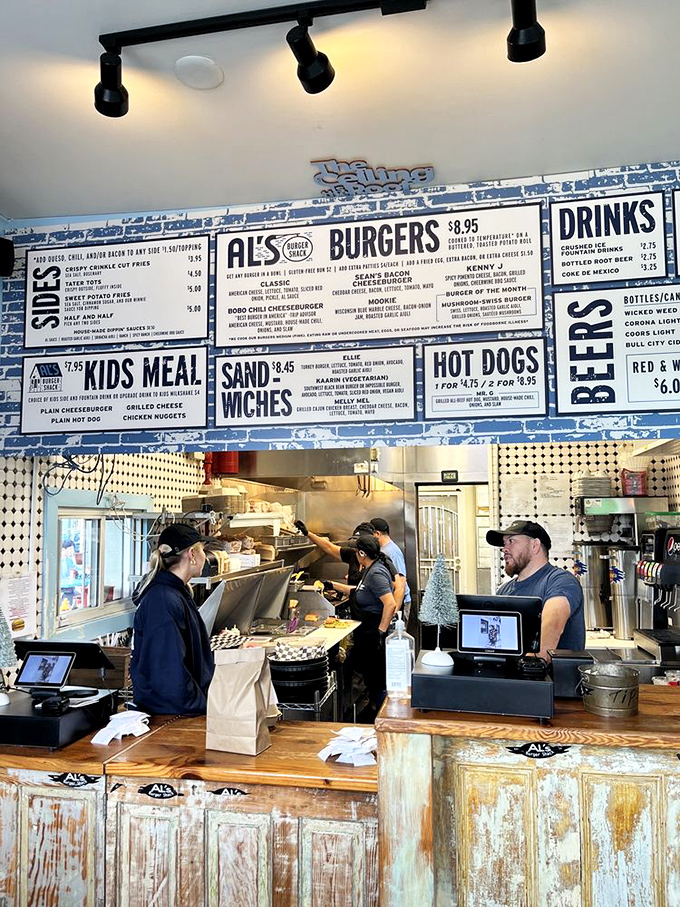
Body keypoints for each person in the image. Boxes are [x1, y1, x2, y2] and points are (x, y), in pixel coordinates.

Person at [130, 523, 215, 715]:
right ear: (192, 554)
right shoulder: (162, 600)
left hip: (180, 709)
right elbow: (168, 671)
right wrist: (202, 707)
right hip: (171, 715)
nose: (205, 557)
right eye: (203, 551)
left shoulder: (176, 592)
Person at [486, 520, 585, 660]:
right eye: (504, 543)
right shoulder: (504, 591)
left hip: (552, 679)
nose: (504, 548)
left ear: (535, 545)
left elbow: (553, 623)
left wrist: (533, 663)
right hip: (513, 678)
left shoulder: (561, 581)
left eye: (511, 541)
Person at [350, 534, 399, 716]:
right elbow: (359, 591)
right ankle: (375, 710)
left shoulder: (376, 572)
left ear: (362, 553)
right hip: (368, 630)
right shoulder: (369, 570)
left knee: (378, 677)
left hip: (374, 630)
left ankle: (384, 716)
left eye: (356, 551)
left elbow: (390, 603)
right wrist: (332, 585)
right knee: (372, 675)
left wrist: (381, 632)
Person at [369, 517, 411, 619]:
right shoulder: (382, 549)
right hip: (390, 602)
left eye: (371, 535)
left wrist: (394, 613)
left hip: (400, 602)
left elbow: (401, 582)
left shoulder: (392, 551)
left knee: (396, 634)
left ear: (377, 534)